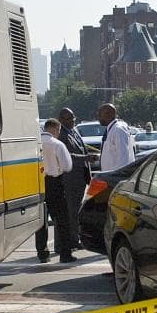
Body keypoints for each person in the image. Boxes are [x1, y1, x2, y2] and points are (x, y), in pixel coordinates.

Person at [57, 107, 94, 258]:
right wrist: (86, 158)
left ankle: (73, 238)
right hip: (70, 179)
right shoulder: (61, 134)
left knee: (76, 210)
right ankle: (71, 240)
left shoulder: (74, 131)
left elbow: (81, 149)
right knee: (71, 211)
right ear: (61, 120)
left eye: (73, 118)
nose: (72, 121)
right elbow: (68, 156)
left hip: (79, 178)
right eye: (68, 119)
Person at [40, 118, 76, 263]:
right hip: (55, 183)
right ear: (54, 128)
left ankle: (42, 253)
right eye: (59, 130)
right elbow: (67, 166)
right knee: (62, 220)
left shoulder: (35, 143)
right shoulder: (57, 144)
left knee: (41, 221)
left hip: (38, 183)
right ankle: (65, 254)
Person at [97, 103, 135, 172]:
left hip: (116, 177)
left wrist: (117, 177)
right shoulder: (112, 128)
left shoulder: (118, 129)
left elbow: (123, 157)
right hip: (109, 175)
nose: (99, 118)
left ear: (110, 114)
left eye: (100, 115)